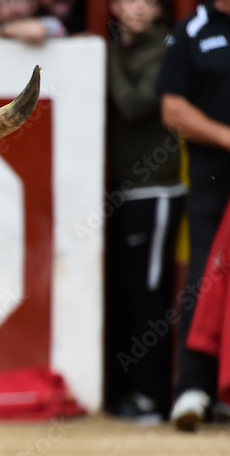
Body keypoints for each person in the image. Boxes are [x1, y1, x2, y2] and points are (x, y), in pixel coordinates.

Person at [103, 0, 185, 423]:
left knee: (149, 296)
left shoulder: (167, 46)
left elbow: (135, 104)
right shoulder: (129, 47)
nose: (138, 7)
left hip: (156, 190)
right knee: (129, 294)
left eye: (148, 1)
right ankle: (132, 393)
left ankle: (151, 398)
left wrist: (103, 54)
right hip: (128, 191)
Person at [158, 0, 230, 430]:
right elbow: (173, 110)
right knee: (205, 276)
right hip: (212, 180)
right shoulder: (191, 32)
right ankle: (194, 387)